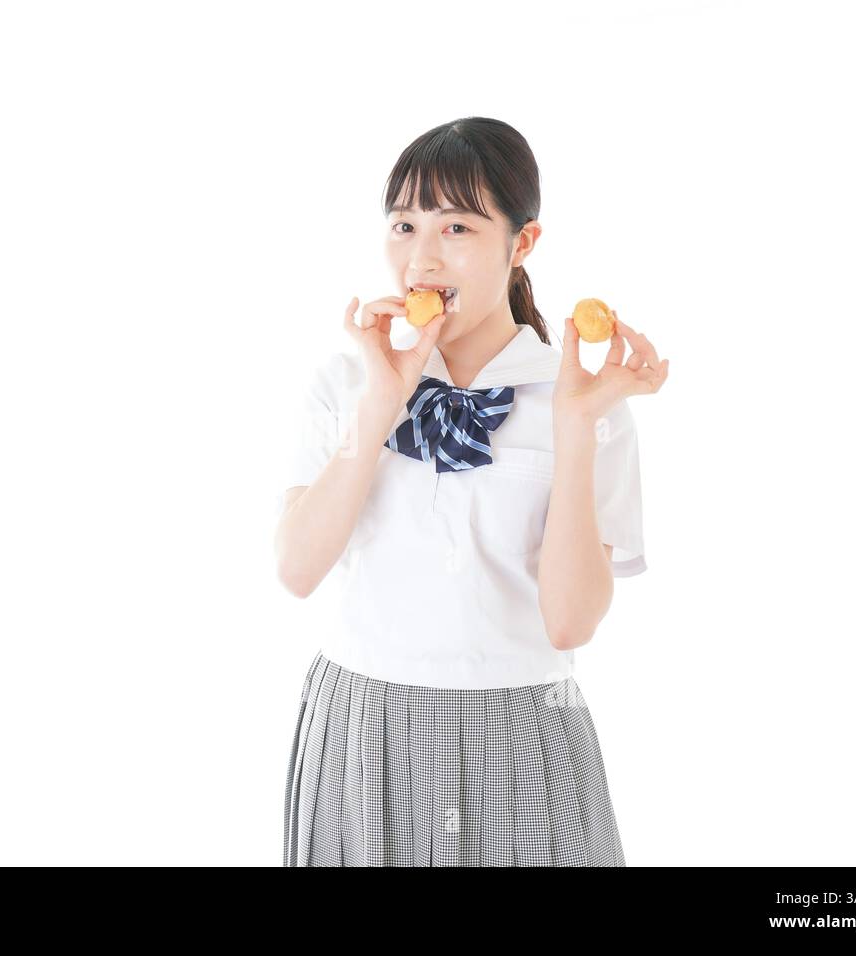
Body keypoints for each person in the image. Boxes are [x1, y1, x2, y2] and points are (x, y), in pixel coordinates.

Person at [274, 117, 670, 866]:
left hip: (524, 725)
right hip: (364, 724)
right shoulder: (345, 385)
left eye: (456, 225)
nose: (421, 257)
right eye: (403, 224)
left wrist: (577, 425)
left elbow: (571, 623)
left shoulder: (583, 400)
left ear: (522, 244)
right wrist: (378, 405)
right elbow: (296, 569)